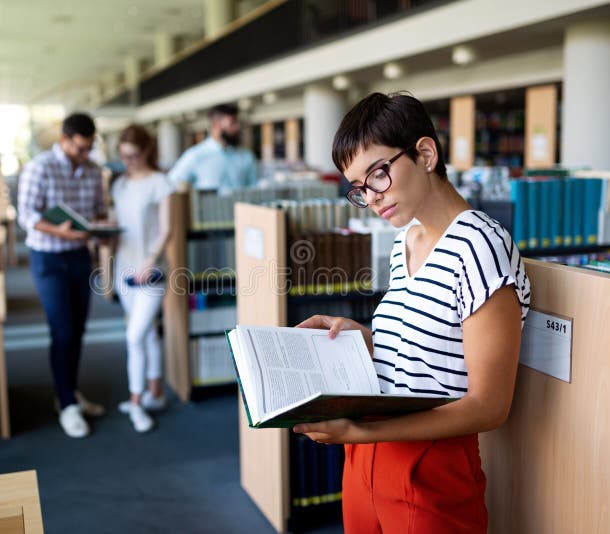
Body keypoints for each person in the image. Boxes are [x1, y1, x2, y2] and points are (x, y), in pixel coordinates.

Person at [294, 92, 531, 533]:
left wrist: (364, 433)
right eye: (359, 187)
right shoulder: (406, 241)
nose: (372, 197)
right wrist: (363, 337)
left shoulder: (480, 245)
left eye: (377, 174)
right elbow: (424, 351)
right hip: (366, 457)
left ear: (425, 154)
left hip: (430, 463)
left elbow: (490, 406)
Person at [17, 112, 106, 439]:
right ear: (64, 140)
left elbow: (98, 210)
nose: (85, 154)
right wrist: (60, 231)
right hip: (47, 257)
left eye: (89, 148)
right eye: (80, 148)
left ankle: (69, 392)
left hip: (80, 256)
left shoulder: (93, 170)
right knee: (63, 329)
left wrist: (102, 228)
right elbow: (26, 215)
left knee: (77, 329)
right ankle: (67, 403)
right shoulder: (40, 167)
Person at [110, 124, 173, 433]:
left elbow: (166, 229)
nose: (128, 162)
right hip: (123, 268)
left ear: (147, 150)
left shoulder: (160, 182)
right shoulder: (119, 184)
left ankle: (136, 403)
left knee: (134, 337)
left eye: (133, 156)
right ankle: (155, 394)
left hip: (152, 271)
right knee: (146, 335)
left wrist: (150, 260)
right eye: (123, 156)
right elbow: (118, 224)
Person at [167, 103, 257, 189]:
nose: (238, 127)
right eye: (232, 123)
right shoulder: (195, 155)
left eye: (238, 123)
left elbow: (255, 188)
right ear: (215, 125)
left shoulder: (246, 156)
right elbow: (171, 183)